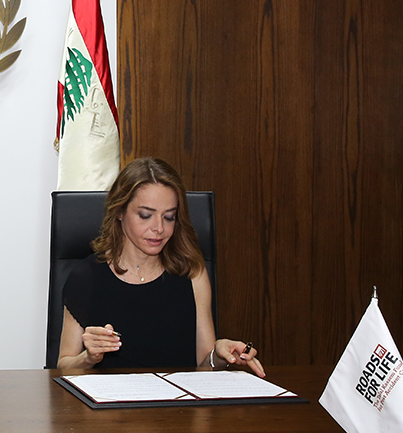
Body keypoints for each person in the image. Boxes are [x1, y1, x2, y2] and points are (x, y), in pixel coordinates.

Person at [57, 157, 265, 376]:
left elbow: (204, 367)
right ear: (119, 211)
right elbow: (63, 367)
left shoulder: (191, 272)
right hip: (110, 398)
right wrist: (88, 358)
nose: (159, 228)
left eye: (169, 217)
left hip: (176, 397)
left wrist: (218, 355)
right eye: (145, 215)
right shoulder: (86, 276)